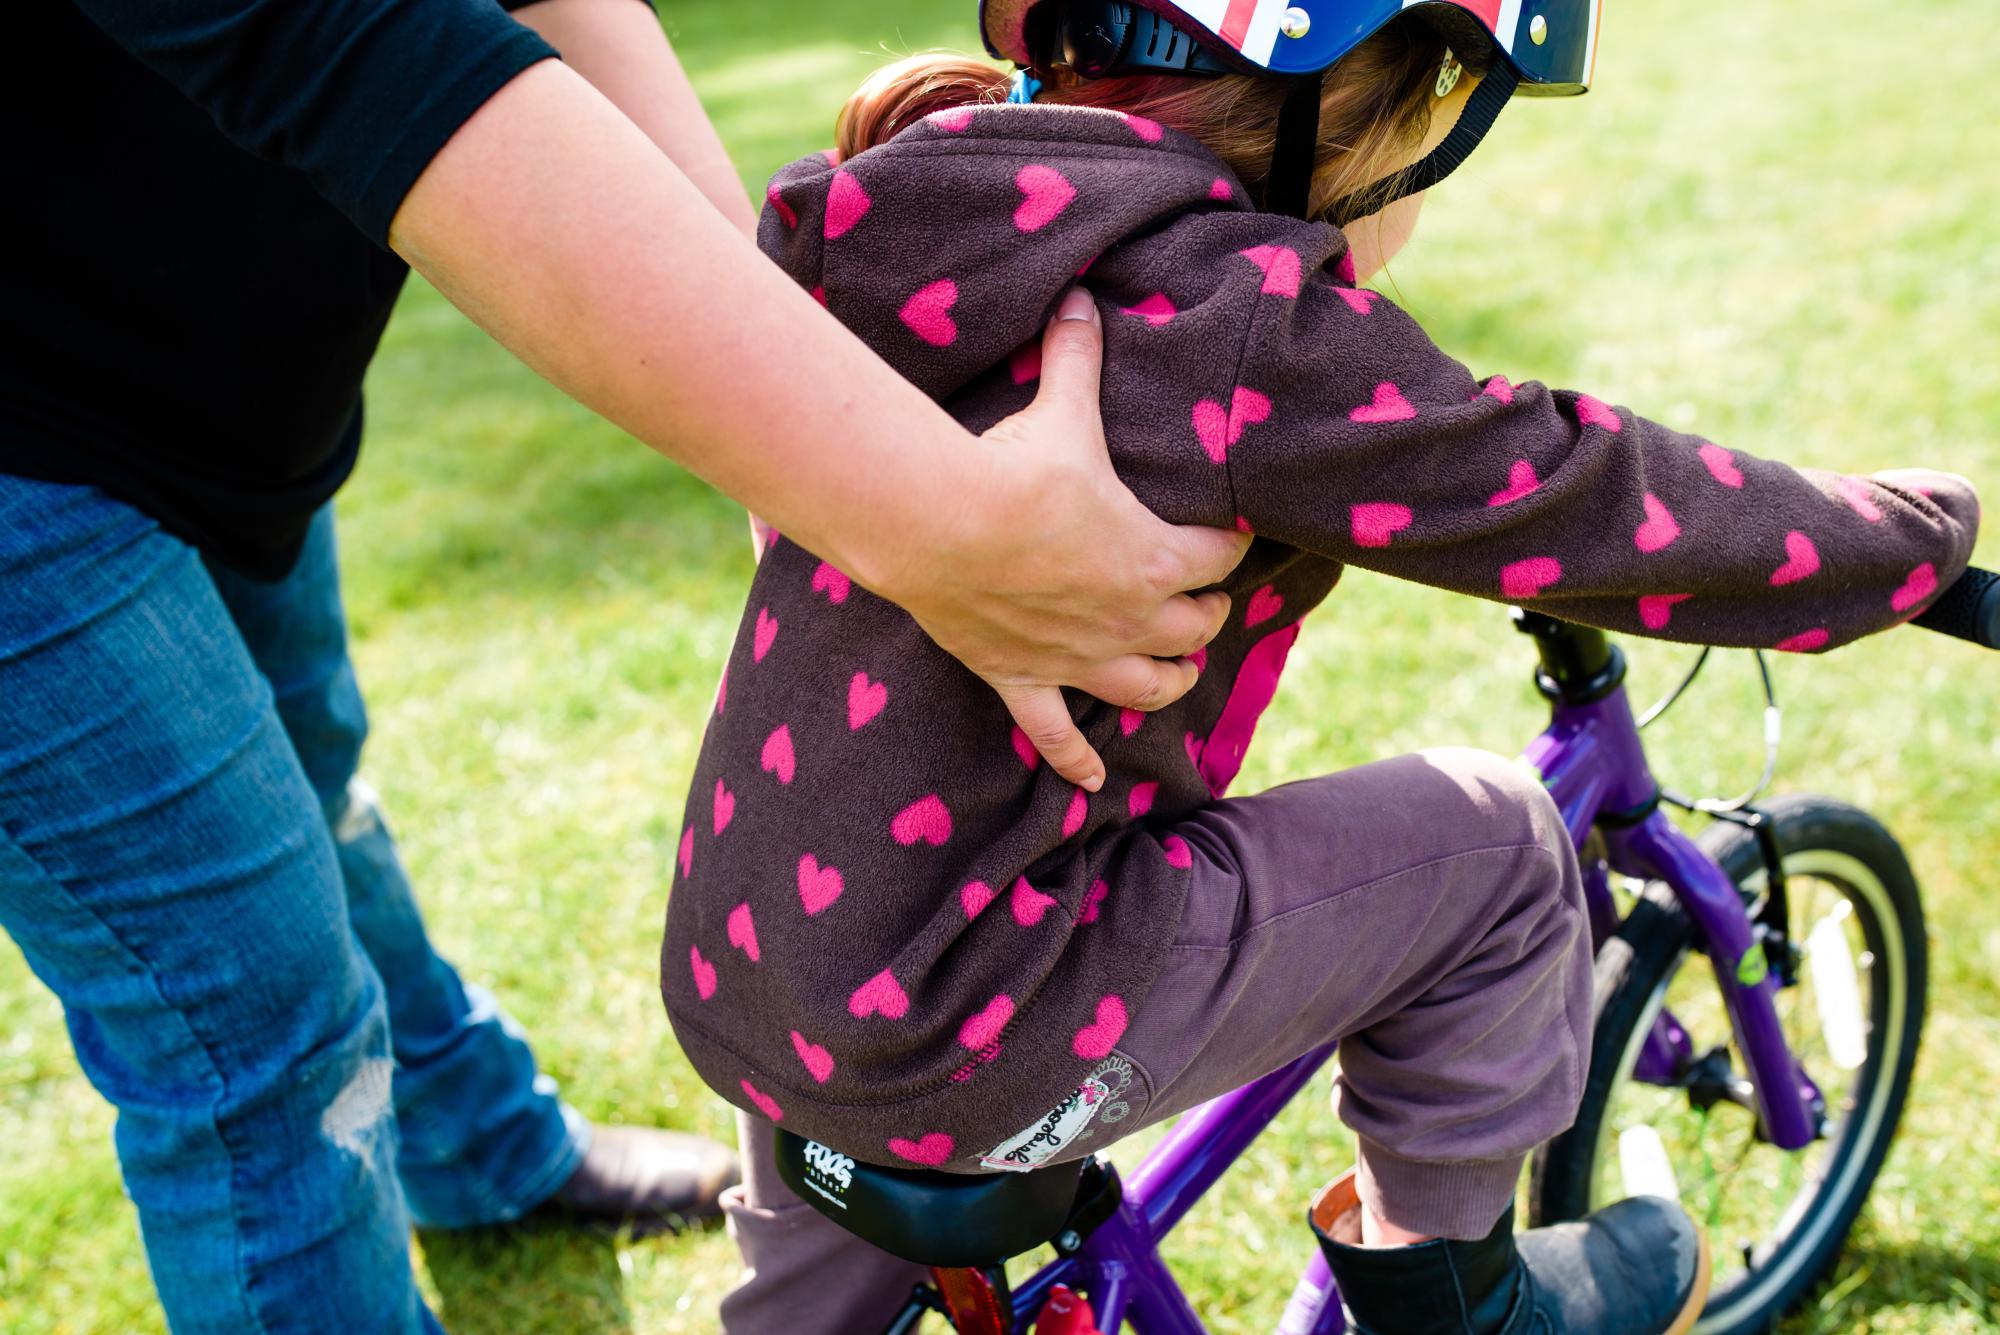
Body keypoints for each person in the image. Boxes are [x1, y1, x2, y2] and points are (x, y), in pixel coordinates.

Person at [657, 2, 1984, 1332]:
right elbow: (1582, 493)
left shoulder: (929, 203)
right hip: (977, 1009)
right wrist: (1904, 541)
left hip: (760, 965)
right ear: (1362, 120)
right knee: (1498, 850)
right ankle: (1465, 1306)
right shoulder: (1230, 319)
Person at [0, 0, 1250, 1330]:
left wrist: (818, 439)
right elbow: (353, 41)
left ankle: (476, 1144)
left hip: (190, 404)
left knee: (316, 786)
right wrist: (924, 516)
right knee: (251, 1029)